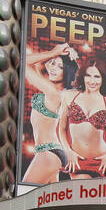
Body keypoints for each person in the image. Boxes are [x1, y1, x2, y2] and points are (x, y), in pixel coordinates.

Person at [23, 42, 78, 184]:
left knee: (25, 196)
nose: (54, 69)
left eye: (60, 67)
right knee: (45, 204)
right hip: (51, 153)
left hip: (48, 152)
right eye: (53, 64)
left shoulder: (54, 94)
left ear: (67, 72)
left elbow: (24, 62)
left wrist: (53, 53)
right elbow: (33, 63)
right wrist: (56, 54)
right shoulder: (51, 91)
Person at [58, 59, 106, 179]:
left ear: (103, 79)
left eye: (97, 77)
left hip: (101, 161)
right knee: (83, 193)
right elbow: (61, 129)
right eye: (88, 76)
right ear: (83, 76)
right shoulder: (69, 96)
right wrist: (68, 151)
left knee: (100, 197)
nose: (92, 81)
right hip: (77, 159)